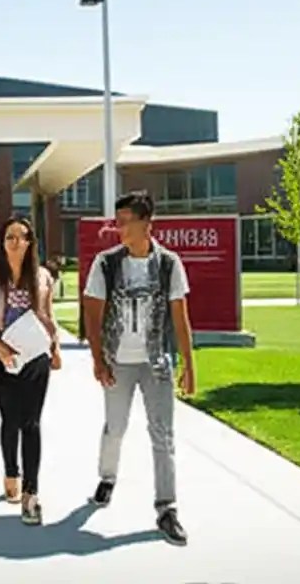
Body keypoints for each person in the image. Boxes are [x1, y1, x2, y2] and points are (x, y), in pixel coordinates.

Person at [82, 190, 195, 546]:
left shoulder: (168, 263)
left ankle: (167, 508)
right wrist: (98, 358)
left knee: (163, 434)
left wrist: (189, 365)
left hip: (156, 361)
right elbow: (92, 312)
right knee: (115, 427)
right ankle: (107, 478)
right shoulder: (106, 263)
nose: (119, 227)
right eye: (117, 221)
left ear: (147, 223)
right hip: (119, 360)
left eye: (126, 221)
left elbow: (180, 316)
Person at [0, 215, 61, 526]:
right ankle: (11, 471)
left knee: (32, 422)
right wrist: (0, 348)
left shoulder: (43, 277)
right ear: (2, 242)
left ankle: (31, 494)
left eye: (21, 236)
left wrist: (55, 347)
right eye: (9, 237)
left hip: (36, 357)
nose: (15, 241)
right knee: (11, 419)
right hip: (2, 357)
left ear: (30, 242)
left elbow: (47, 315)